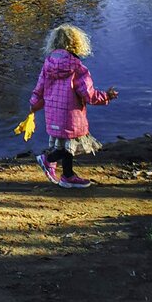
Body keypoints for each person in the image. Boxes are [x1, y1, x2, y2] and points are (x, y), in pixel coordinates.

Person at [30, 24, 118, 189]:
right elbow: (89, 94)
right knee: (71, 146)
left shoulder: (47, 65)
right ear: (77, 43)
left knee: (65, 145)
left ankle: (68, 176)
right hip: (70, 115)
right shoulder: (77, 68)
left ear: (54, 43)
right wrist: (107, 96)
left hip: (53, 113)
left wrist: (33, 106)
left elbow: (39, 89)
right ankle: (48, 160)